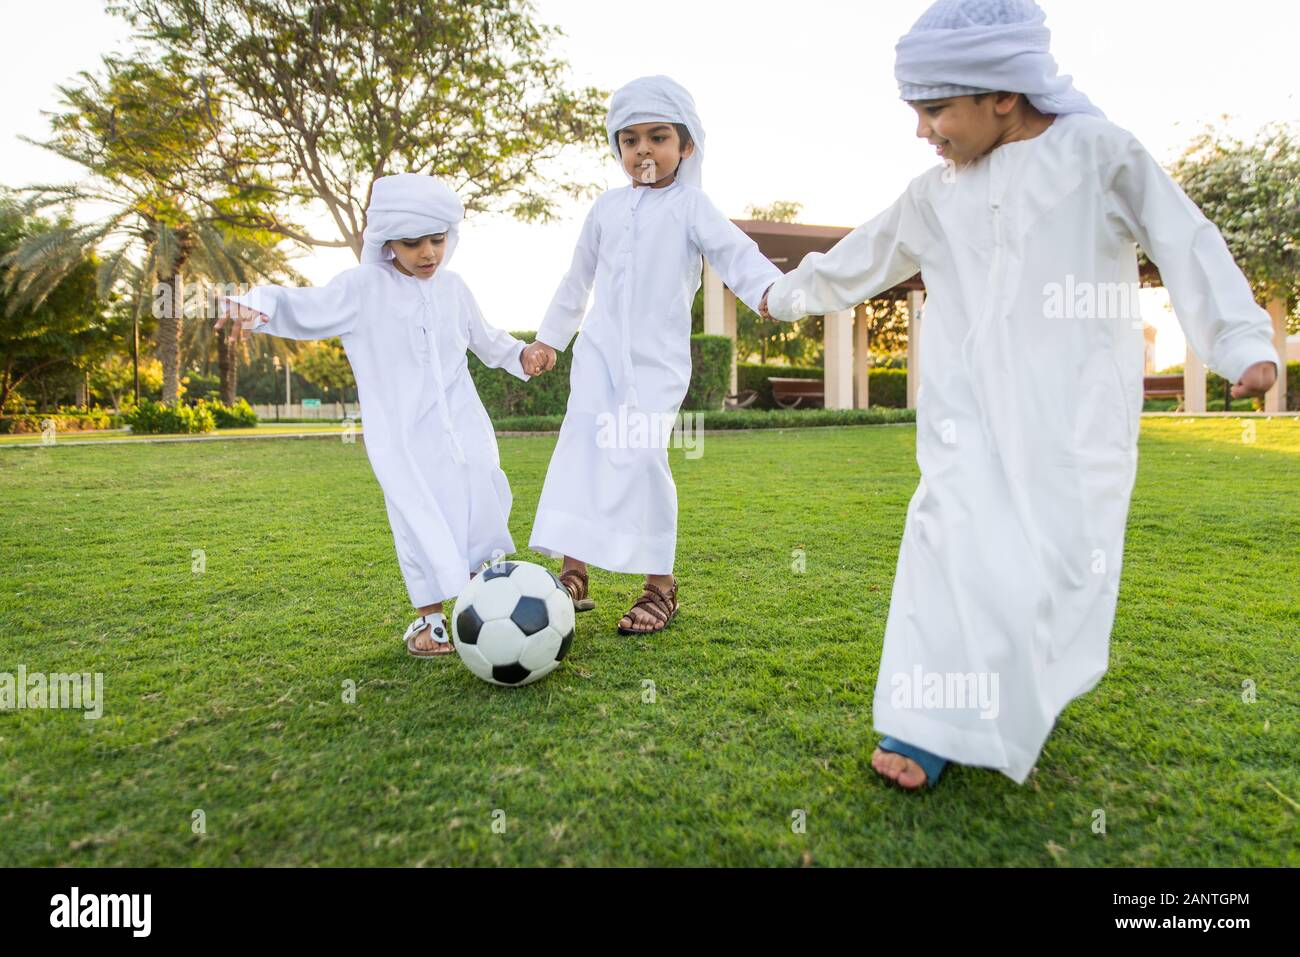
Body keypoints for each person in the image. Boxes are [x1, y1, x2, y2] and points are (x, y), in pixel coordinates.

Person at [760, 0, 1280, 789]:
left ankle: (1003, 696)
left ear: (1002, 93)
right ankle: (924, 721)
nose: (923, 130)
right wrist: (785, 296)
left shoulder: (1099, 154)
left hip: (1071, 420)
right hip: (964, 416)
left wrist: (1242, 341)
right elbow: (863, 255)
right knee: (947, 542)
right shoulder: (936, 192)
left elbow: (1186, 239)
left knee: (1046, 569)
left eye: (936, 109)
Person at [218, 174, 548, 657]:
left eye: (438, 239)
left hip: (464, 425)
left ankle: (489, 598)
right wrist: (256, 304)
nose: (428, 253)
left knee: (484, 497)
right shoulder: (363, 287)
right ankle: (430, 621)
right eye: (413, 243)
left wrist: (523, 355)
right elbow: (303, 303)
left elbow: (487, 338)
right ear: (386, 240)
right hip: (405, 435)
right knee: (419, 517)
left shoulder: (454, 287)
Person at [521, 76, 782, 635]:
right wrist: (549, 339)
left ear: (685, 147)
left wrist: (766, 290)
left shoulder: (692, 206)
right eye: (630, 139)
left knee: (640, 458)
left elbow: (736, 252)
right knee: (580, 451)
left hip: (656, 363)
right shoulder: (605, 209)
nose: (643, 150)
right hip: (597, 355)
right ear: (617, 150)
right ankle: (574, 574)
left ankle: (660, 586)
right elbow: (577, 281)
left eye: (658, 137)